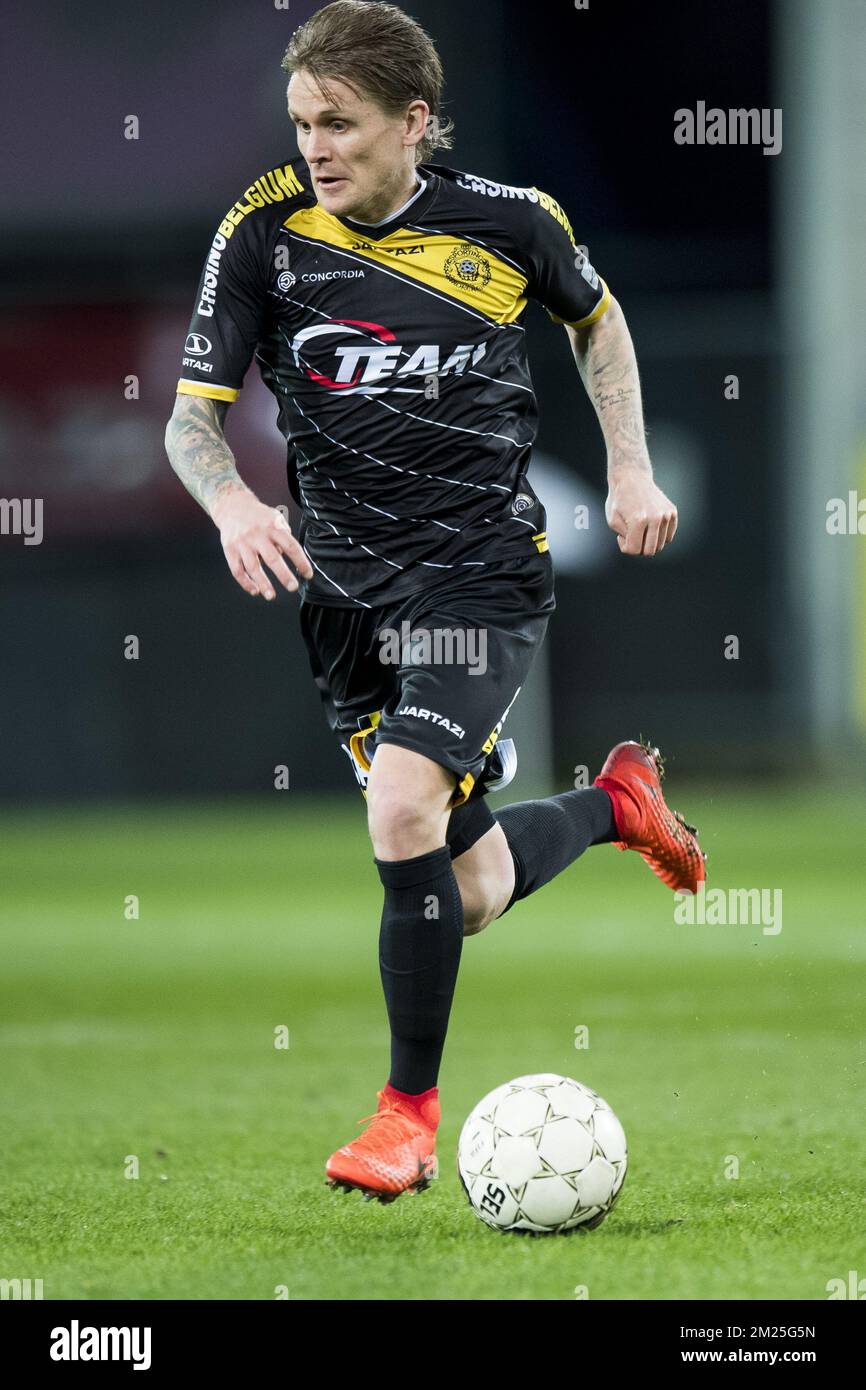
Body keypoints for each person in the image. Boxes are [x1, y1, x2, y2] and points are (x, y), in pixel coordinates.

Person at [165, 0, 706, 1206]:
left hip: (477, 572)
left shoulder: (510, 224)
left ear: (414, 122)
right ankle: (616, 807)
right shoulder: (263, 232)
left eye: (342, 124)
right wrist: (234, 507)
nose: (316, 146)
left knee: (401, 808)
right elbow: (189, 417)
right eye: (303, 121)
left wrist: (628, 467)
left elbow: (597, 322)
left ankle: (405, 1117)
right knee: (457, 893)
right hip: (343, 598)